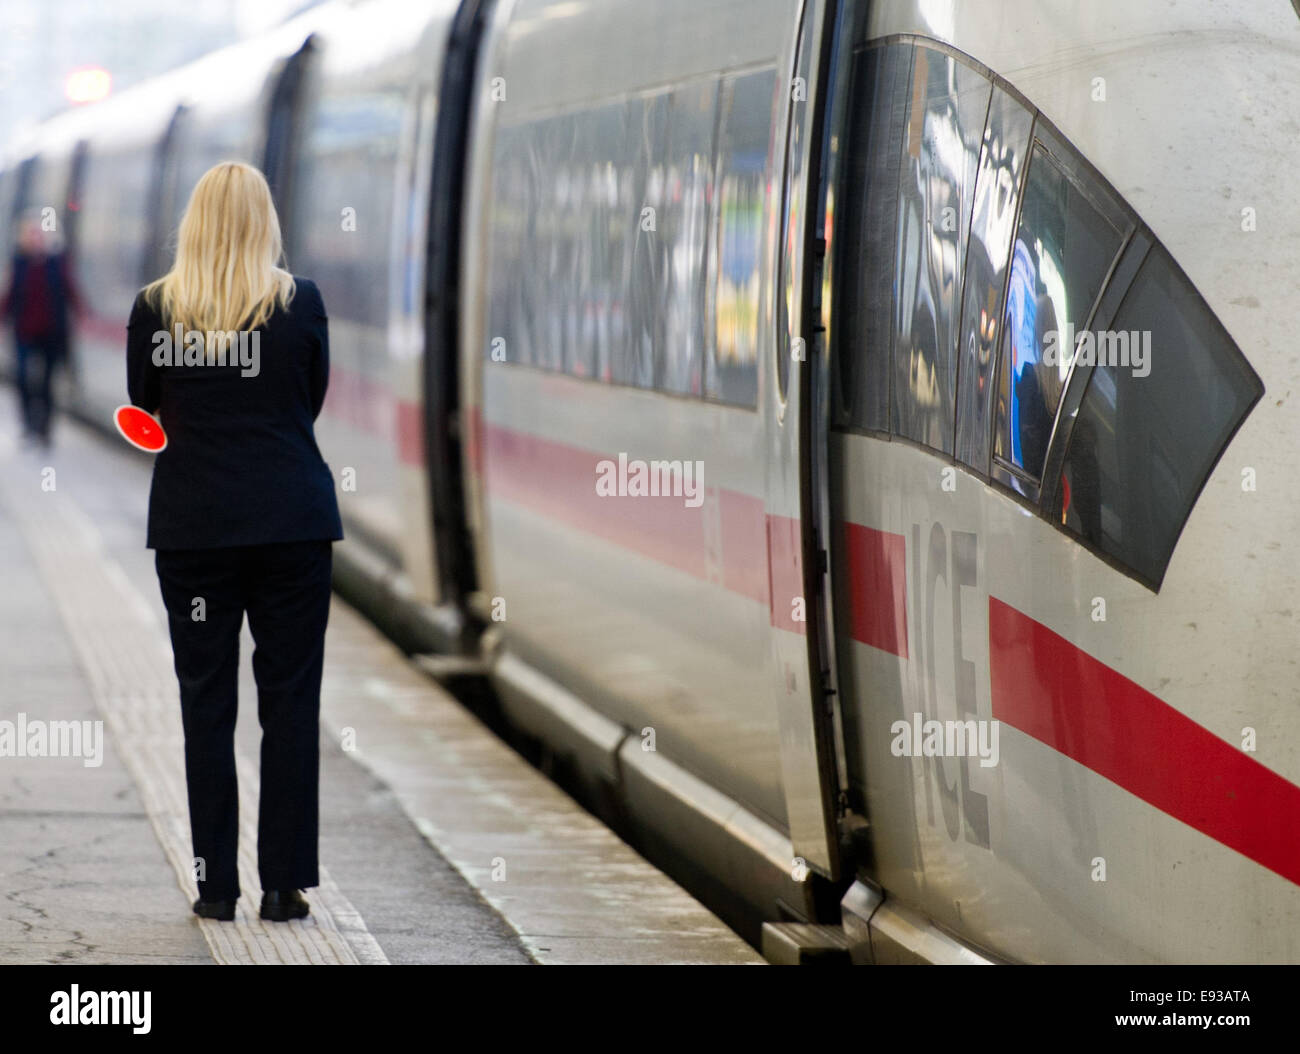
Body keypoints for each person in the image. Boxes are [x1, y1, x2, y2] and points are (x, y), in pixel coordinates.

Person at [125, 161, 343, 923]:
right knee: (290, 703)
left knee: (204, 708)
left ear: (193, 224)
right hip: (291, 526)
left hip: (195, 532)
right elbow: (306, 405)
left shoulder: (156, 311)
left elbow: (144, 410)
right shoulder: (301, 305)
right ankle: (285, 886)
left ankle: (216, 886)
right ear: (263, 223)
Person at [1, 214, 79, 445]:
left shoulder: (57, 262)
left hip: (52, 333)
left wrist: (84, 314)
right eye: (32, 235)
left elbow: (70, 289)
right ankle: (28, 424)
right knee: (24, 378)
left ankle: (44, 429)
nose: (36, 239)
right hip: (24, 331)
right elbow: (10, 295)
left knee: (46, 382)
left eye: (40, 235)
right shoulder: (18, 263)